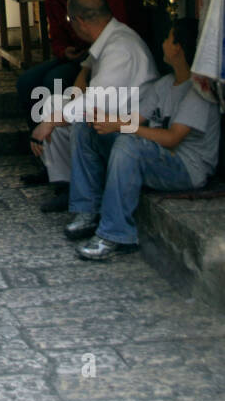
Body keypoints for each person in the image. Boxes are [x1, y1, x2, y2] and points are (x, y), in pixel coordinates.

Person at [66, 18, 222, 260]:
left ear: (178, 48)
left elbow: (172, 139)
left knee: (129, 144)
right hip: (158, 155)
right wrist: (104, 120)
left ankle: (115, 234)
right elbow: (135, 119)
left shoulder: (198, 92)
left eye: (168, 39)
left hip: (186, 168)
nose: (162, 43)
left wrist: (120, 126)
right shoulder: (165, 84)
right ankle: (87, 209)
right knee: (87, 129)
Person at [18, 0, 147, 207]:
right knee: (30, 83)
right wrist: (68, 54)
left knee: (53, 84)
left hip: (110, 61)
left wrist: (53, 119)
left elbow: (112, 26)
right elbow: (57, 40)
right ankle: (49, 161)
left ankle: (65, 170)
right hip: (83, 56)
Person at [30, 0, 159, 212]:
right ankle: (67, 184)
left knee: (67, 117)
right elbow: (86, 73)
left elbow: (94, 101)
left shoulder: (120, 47)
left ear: (79, 21)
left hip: (128, 124)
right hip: (110, 111)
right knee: (53, 104)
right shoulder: (109, 37)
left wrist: (49, 123)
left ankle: (87, 201)